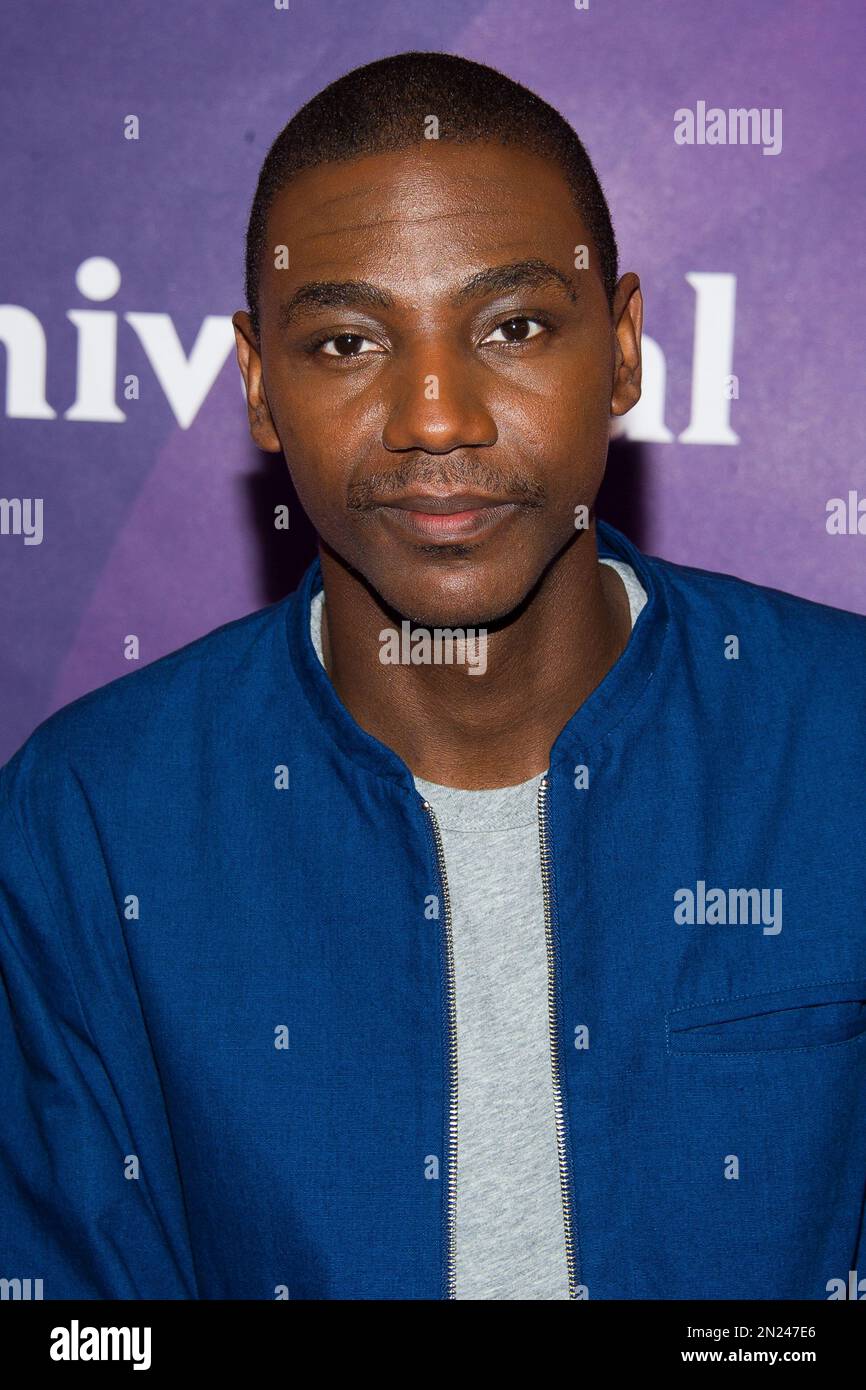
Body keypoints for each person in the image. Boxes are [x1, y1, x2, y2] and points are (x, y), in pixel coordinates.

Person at [1, 50, 865, 1302]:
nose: (435, 416)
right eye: (348, 341)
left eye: (512, 327)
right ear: (255, 385)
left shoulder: (841, 745)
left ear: (620, 349)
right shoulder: (80, 823)